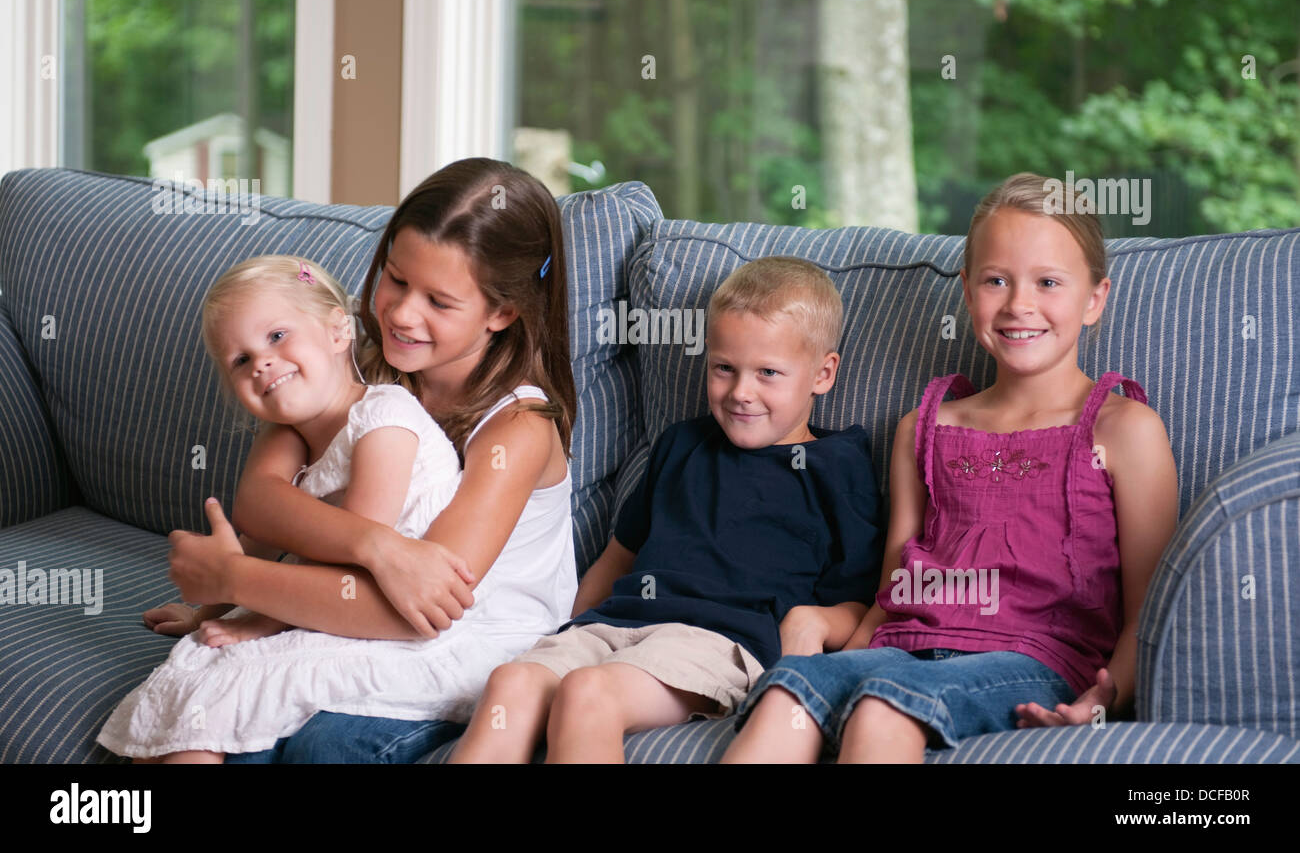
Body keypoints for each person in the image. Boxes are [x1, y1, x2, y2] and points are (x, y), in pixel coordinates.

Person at [723, 172, 1179, 763]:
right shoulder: (925, 427)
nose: (1019, 304)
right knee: (784, 695)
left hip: (1032, 660)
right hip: (905, 644)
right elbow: (895, 583)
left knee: (881, 704)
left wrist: (1101, 700)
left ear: (1094, 298)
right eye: (996, 280)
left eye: (1048, 282)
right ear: (967, 291)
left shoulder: (1123, 430)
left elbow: (1151, 609)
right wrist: (840, 667)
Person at [164, 158, 578, 763]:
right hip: (353, 612)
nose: (403, 314)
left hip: (470, 642)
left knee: (322, 748)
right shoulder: (351, 360)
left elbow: (413, 610)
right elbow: (260, 499)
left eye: (439, 300)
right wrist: (377, 546)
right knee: (209, 710)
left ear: (502, 312)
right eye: (396, 279)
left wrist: (235, 580)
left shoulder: (517, 428)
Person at [449, 256, 884, 763]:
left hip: (719, 643)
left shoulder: (837, 466)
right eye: (724, 368)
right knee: (511, 683)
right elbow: (616, 559)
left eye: (768, 373)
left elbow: (860, 600)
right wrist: (575, 626)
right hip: (616, 626)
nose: (741, 393)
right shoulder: (681, 444)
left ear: (823, 374)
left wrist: (813, 625)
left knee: (588, 693)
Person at [97, 255, 472, 761]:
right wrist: (204, 611)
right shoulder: (290, 438)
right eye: (240, 360)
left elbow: (354, 547)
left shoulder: (385, 418)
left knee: (217, 685)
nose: (262, 363)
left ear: (339, 331)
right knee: (188, 685)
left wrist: (259, 622)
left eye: (276, 336)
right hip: (313, 604)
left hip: (380, 621)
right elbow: (256, 546)